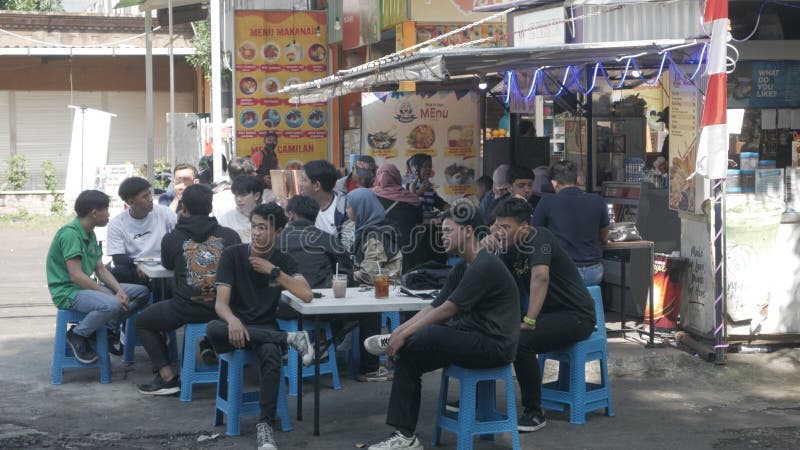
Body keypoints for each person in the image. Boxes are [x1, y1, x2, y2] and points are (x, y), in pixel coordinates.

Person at [362, 200, 520, 450]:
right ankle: (405, 436)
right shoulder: (462, 267)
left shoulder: (484, 265)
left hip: (494, 345)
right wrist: (400, 332)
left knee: (432, 334)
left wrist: (405, 334)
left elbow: (448, 310)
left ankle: (393, 343)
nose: (442, 237)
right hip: (470, 336)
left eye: (448, 231)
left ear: (468, 231)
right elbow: (433, 306)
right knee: (409, 356)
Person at [206, 202, 315, 450]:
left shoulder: (283, 261)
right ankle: (290, 338)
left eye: (263, 228)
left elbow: (306, 294)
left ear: (277, 232)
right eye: (254, 226)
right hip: (232, 327)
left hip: (265, 330)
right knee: (213, 328)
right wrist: (233, 319)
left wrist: (273, 271)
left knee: (270, 352)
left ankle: (265, 426)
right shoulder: (233, 255)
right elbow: (221, 305)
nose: (256, 233)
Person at [490, 198, 596, 432]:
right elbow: (493, 279)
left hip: (576, 316)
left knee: (521, 342)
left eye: (505, 227)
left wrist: (529, 320)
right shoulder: (510, 249)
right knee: (491, 333)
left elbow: (540, 277)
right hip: (549, 316)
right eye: (497, 226)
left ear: (524, 227)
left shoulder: (540, 238)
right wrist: (488, 247)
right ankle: (481, 400)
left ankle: (534, 413)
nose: (500, 232)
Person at [136, 184, 241, 395]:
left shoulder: (173, 238)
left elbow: (168, 265)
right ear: (210, 207)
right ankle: (233, 369)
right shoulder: (230, 236)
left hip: (187, 307)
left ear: (184, 208)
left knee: (143, 322)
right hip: (227, 309)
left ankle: (168, 378)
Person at [46, 190, 150, 364]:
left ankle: (107, 329)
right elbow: (76, 276)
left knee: (141, 292)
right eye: (106, 210)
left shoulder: (90, 233)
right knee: (113, 303)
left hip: (85, 288)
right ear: (94, 213)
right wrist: (110, 295)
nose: (109, 215)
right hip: (68, 292)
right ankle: (77, 334)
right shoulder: (71, 234)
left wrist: (119, 290)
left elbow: (100, 269)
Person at [532, 160, 610, 286]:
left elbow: (535, 234)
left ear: (554, 183)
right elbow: (604, 236)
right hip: (594, 271)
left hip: (564, 271)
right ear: (578, 180)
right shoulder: (597, 200)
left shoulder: (547, 201)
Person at [107, 177, 176, 287]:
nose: (150, 199)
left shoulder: (165, 213)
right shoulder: (117, 223)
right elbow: (118, 257)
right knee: (118, 272)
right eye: (145, 196)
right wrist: (138, 264)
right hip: (135, 268)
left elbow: (180, 238)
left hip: (163, 264)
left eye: (149, 194)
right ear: (131, 202)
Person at [278, 195, 349, 290]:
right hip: (323, 298)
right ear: (315, 215)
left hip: (286, 298)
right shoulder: (329, 239)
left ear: (290, 215)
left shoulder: (276, 240)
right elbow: (346, 274)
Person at [371, 163, 423, 272]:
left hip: (378, 249)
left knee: (381, 283)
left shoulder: (370, 197)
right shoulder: (411, 199)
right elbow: (419, 220)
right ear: (397, 176)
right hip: (407, 249)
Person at [346, 188, 403, 286]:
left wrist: (344, 277)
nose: (346, 210)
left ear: (360, 208)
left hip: (386, 292)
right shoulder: (364, 230)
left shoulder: (374, 237)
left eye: (349, 207)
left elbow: (369, 275)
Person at [301, 159, 353, 248]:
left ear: (316, 186)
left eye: (304, 180)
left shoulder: (345, 210)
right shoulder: (309, 205)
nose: (300, 184)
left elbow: (347, 248)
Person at [218, 176, 264, 243]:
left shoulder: (268, 217)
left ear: (256, 195)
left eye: (243, 195)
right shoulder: (226, 219)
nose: (238, 199)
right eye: (236, 195)